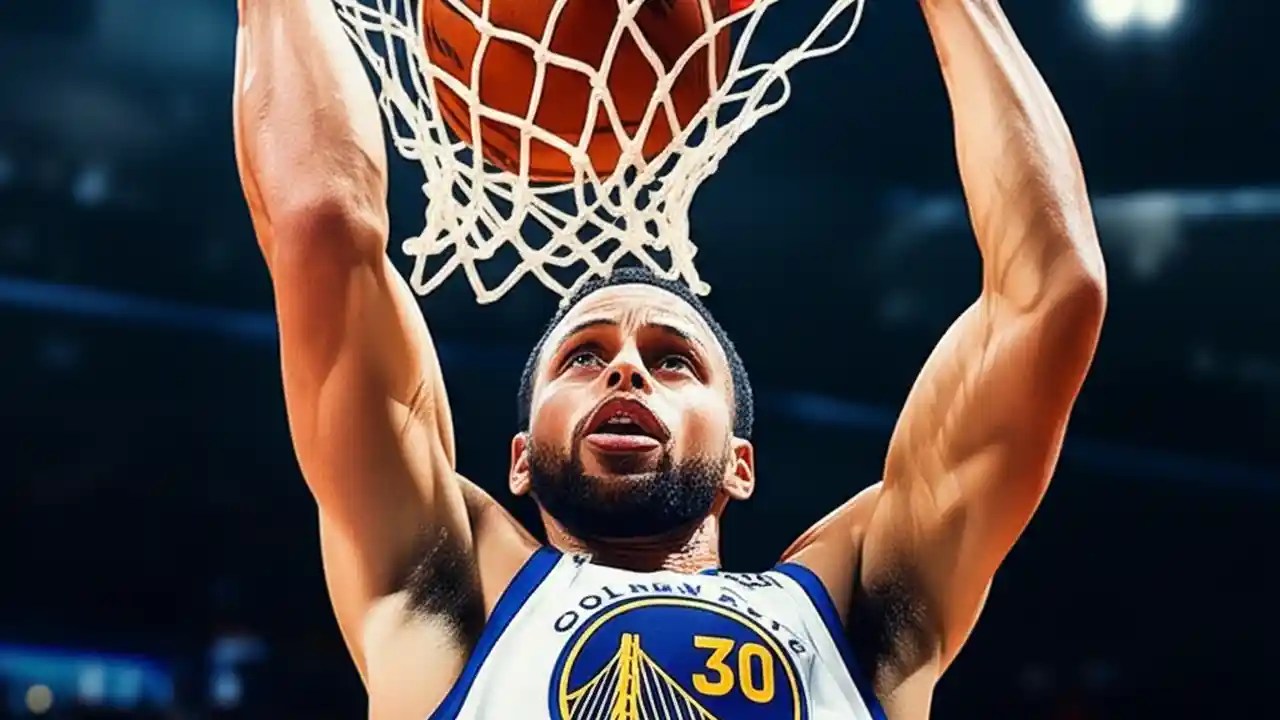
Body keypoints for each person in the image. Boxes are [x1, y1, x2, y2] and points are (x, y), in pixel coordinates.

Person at [232, 0, 1106, 718]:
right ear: (519, 459)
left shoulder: (856, 610)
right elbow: (322, 225)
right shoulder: (449, 587)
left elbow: (1051, 294)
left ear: (740, 464)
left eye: (675, 361)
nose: (626, 371)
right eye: (582, 358)